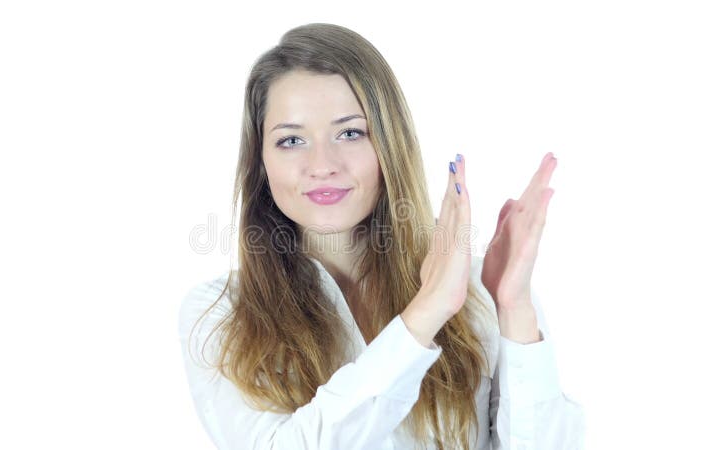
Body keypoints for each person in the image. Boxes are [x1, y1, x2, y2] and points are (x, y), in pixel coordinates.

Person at [178, 22, 585, 450]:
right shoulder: (218, 313)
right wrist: (426, 313)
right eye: (292, 139)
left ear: (389, 144)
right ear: (261, 162)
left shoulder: (478, 292)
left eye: (350, 133)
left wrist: (513, 308)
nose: (322, 164)